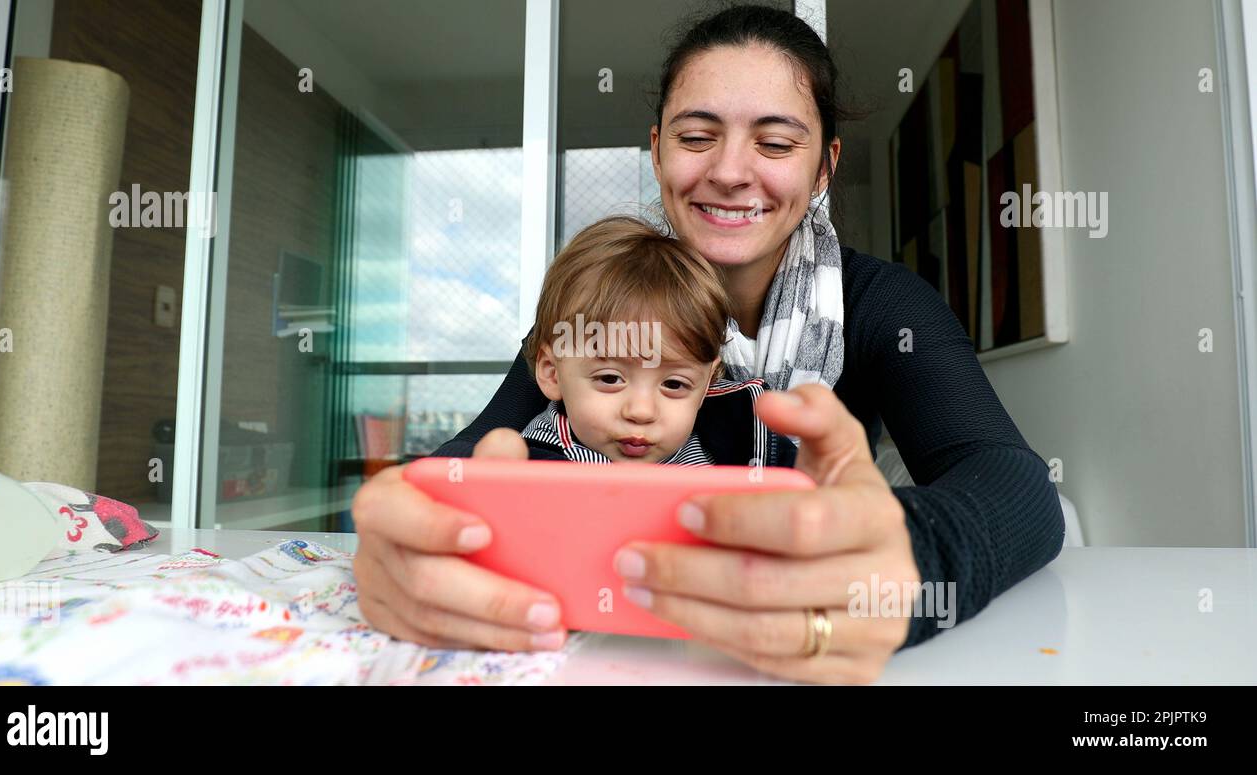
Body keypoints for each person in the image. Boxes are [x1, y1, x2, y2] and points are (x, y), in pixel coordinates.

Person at [352, 4, 1065, 684]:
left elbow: (1016, 484)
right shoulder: (597, 303)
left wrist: (906, 564)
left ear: (824, 166)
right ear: (657, 150)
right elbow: (461, 468)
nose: (728, 170)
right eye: (696, 137)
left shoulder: (882, 306)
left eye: (777, 142)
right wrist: (401, 541)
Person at [518, 215, 797, 467]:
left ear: (705, 386)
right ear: (552, 373)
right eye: (610, 379)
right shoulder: (534, 471)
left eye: (674, 384)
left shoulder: (748, 438)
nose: (641, 412)